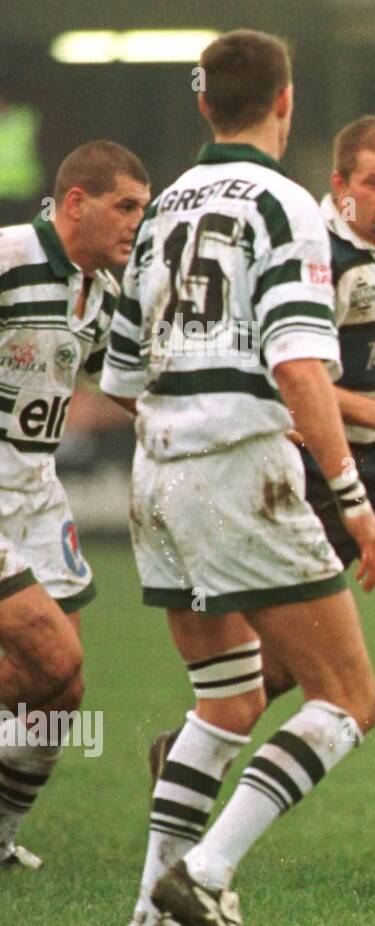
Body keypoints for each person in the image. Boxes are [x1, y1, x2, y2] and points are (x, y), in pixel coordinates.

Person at [141, 115, 375, 854]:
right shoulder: (312, 249)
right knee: (274, 668)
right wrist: (370, 407)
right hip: (304, 475)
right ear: (339, 185)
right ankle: (181, 749)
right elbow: (288, 371)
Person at [104, 29, 375, 926]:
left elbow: (115, 376)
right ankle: (210, 871)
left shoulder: (159, 208)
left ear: (201, 105)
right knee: (348, 698)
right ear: (287, 101)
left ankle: (148, 924)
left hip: (156, 476)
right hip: (238, 467)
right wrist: (350, 498)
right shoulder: (287, 204)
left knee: (227, 700)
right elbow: (301, 365)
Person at [0, 140, 149, 870]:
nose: (135, 224)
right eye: (125, 206)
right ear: (74, 203)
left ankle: (0, 836)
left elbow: (122, 387)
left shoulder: (103, 294)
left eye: (143, 210)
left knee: (61, 685)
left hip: (34, 493)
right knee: (48, 654)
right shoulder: (7, 256)